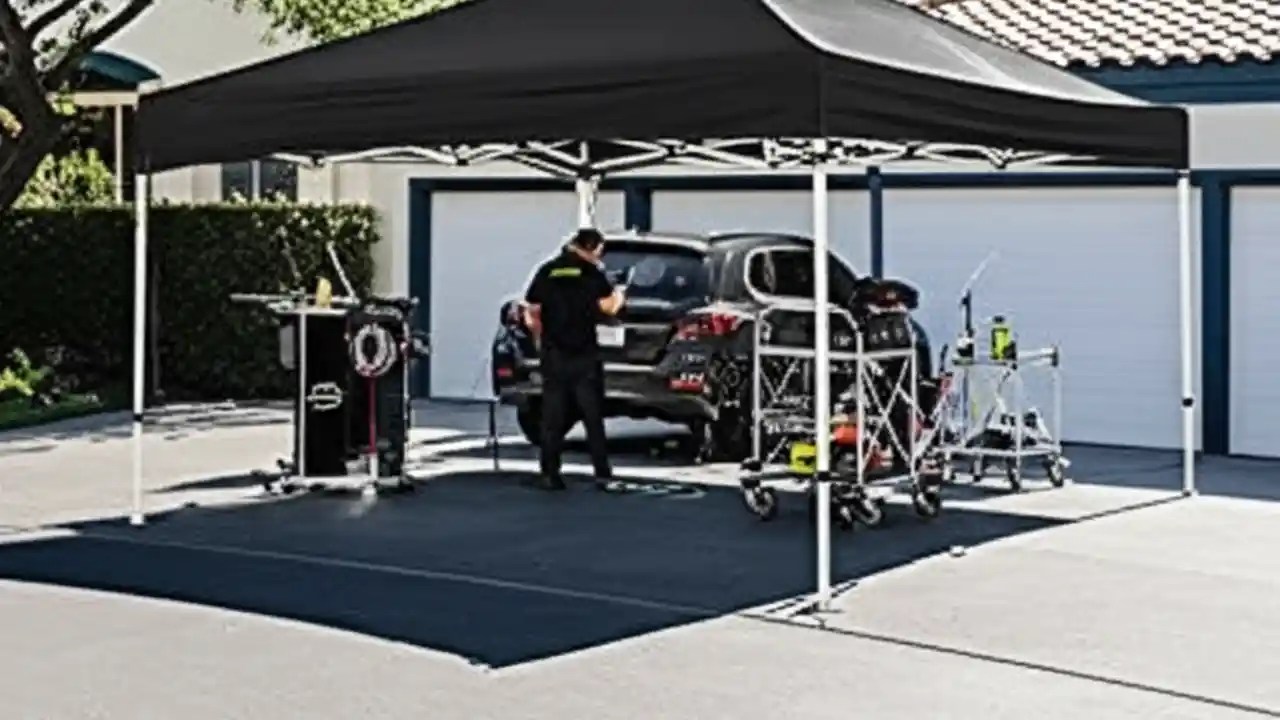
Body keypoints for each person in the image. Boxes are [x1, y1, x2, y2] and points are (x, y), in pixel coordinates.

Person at [521, 228, 626, 490]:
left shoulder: (548, 270)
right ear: (591, 248)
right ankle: (602, 474)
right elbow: (608, 307)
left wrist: (539, 341)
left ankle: (550, 474)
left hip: (554, 354)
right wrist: (620, 294)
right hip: (584, 354)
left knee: (552, 416)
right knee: (592, 416)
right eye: (599, 251)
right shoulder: (592, 273)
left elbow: (532, 310)